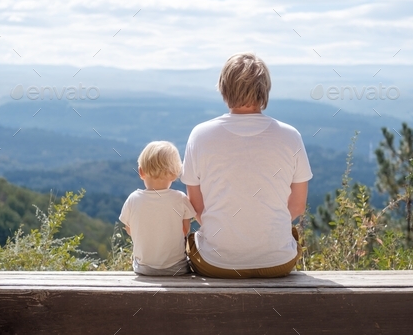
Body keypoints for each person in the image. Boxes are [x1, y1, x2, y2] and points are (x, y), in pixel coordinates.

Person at [181, 52, 313, 278]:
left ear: (224, 88)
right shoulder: (291, 136)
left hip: (217, 265)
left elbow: (197, 206)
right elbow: (298, 206)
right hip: (278, 264)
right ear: (264, 90)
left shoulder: (200, 135)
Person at [119, 141, 196, 276]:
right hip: (176, 268)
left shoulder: (133, 199)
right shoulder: (180, 199)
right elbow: (184, 231)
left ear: (141, 172)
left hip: (143, 268)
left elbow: (129, 229)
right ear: (175, 173)